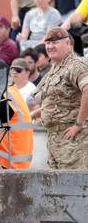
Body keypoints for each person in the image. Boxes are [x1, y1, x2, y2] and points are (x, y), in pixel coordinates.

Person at [29, 27, 88, 169]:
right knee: (58, 188)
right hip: (55, 140)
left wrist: (78, 124)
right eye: (48, 43)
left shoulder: (75, 65)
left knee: (74, 187)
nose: (50, 46)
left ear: (68, 44)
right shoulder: (56, 67)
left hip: (73, 142)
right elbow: (59, 99)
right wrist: (37, 112)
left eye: (55, 43)